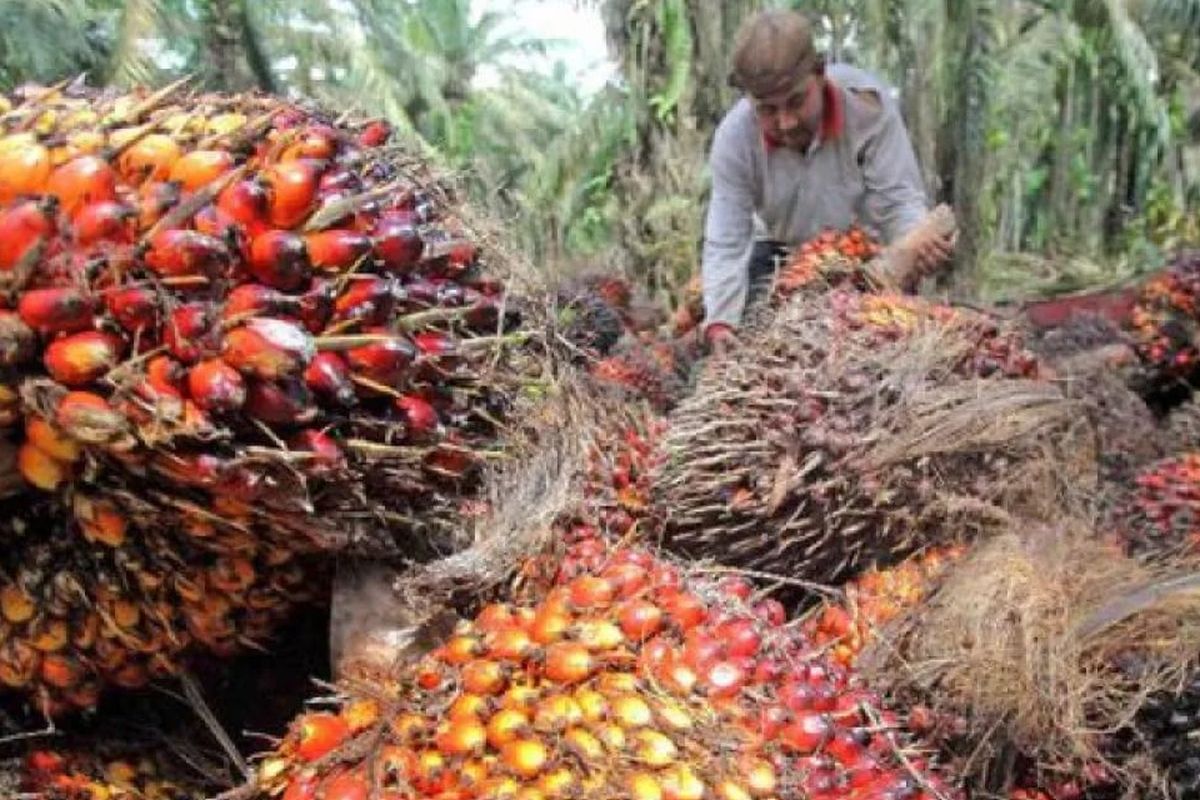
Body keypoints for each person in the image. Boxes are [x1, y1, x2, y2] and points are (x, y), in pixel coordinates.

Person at [701, 9, 955, 355]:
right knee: (764, 352)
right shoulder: (734, 139)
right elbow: (726, 241)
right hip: (780, 256)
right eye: (767, 111)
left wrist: (915, 249)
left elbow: (898, 201)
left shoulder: (869, 108)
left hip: (863, 256)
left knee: (886, 351)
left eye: (795, 102)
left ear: (820, 74)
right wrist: (720, 322)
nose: (786, 123)